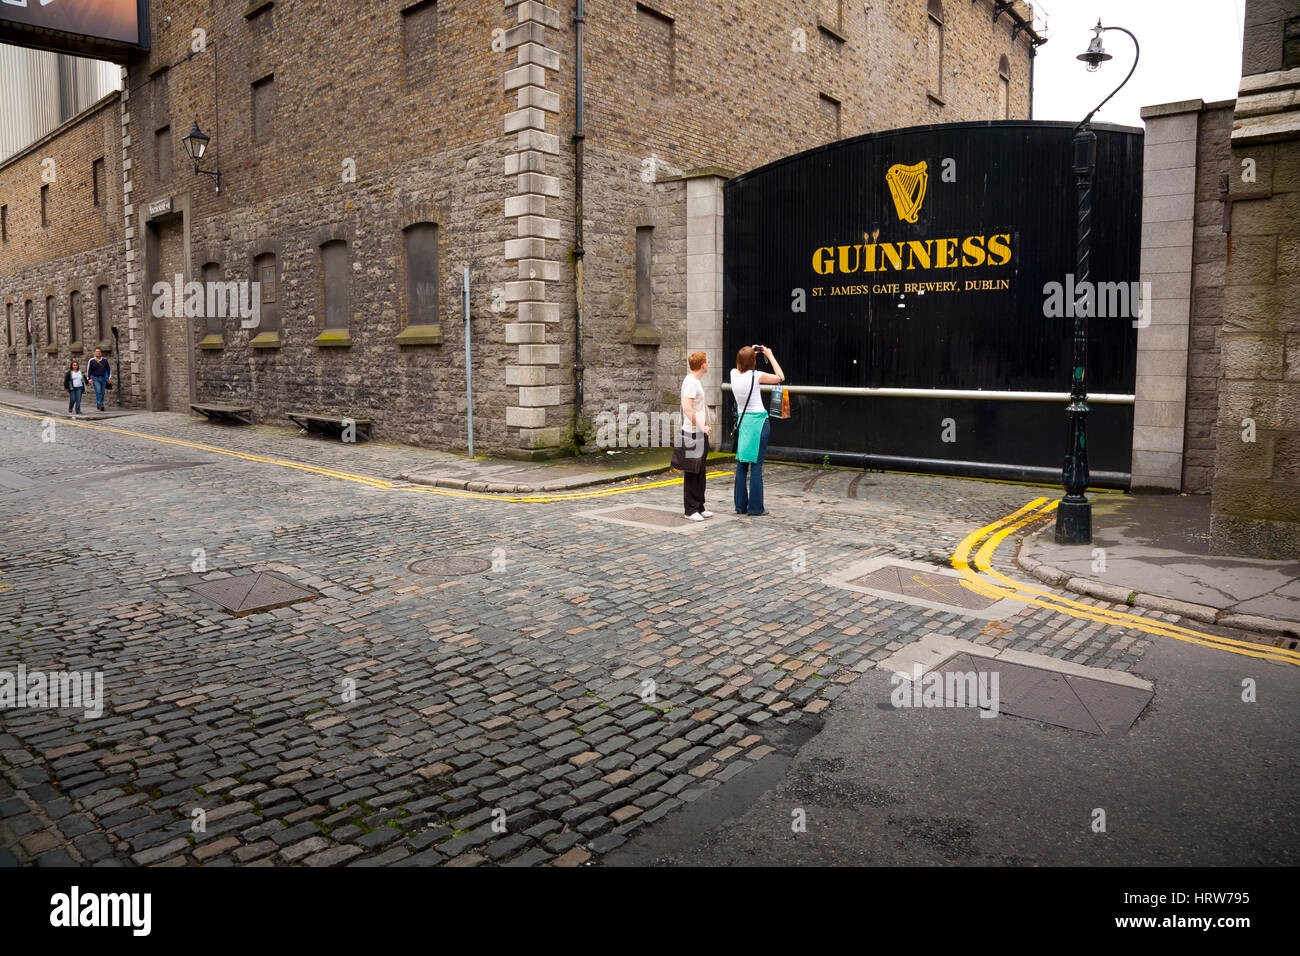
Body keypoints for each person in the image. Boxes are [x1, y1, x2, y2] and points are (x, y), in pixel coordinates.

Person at [731, 345, 784, 517]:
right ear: (753, 362)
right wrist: (769, 354)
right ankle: (755, 508)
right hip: (759, 423)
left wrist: (749, 353)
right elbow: (780, 377)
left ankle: (740, 506)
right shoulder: (756, 376)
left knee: (742, 464)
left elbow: (742, 364)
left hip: (743, 422)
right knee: (756, 466)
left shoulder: (733, 374)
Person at [679, 350, 712, 520]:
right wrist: (702, 427)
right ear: (702, 365)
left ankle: (699, 506)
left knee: (700, 470)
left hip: (699, 432)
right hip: (693, 434)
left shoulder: (695, 381)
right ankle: (690, 510)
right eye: (707, 361)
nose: (709, 363)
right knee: (692, 471)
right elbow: (687, 409)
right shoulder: (691, 383)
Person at [87, 347, 111, 411]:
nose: (98, 352)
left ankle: (99, 404)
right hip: (95, 379)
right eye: (97, 351)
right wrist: (89, 378)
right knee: (98, 391)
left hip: (103, 379)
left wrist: (109, 377)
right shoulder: (91, 360)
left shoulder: (105, 360)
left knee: (102, 393)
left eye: (99, 351)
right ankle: (101, 405)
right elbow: (89, 370)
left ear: (101, 353)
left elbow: (108, 369)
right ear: (94, 353)